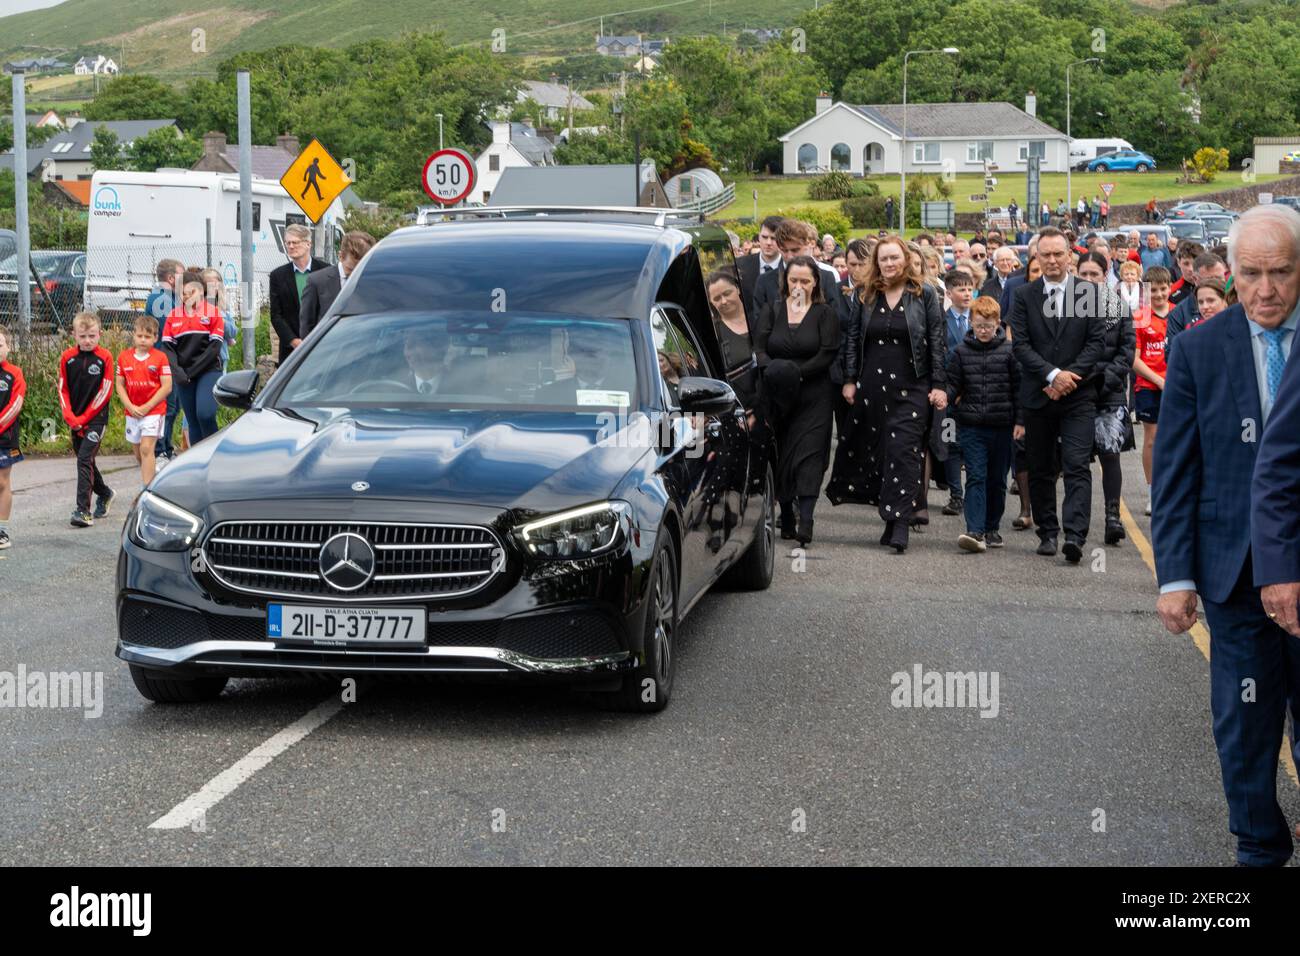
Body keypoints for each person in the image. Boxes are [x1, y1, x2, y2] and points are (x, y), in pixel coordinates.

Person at [1153, 203, 1300, 867]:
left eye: (1281, 273)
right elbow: (1177, 472)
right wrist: (1176, 578)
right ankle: (1259, 844)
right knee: (1244, 723)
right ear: (1227, 274)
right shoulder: (1197, 350)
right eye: (1251, 274)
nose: (1266, 290)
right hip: (1230, 573)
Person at [827, 235, 947, 553]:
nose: (889, 264)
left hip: (914, 385)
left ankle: (901, 522)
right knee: (881, 452)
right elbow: (853, 338)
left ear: (906, 259)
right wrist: (850, 379)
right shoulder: (865, 295)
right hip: (873, 385)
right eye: (884, 259)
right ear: (876, 263)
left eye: (895, 258)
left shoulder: (926, 294)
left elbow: (936, 340)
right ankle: (890, 518)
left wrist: (939, 384)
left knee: (905, 452)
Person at [1007, 228, 1106, 563]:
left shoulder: (1088, 293)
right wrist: (1051, 374)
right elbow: (1020, 345)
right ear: (1036, 258)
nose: (1051, 260)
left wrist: (1067, 378)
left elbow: (1096, 344)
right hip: (1038, 394)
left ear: (1069, 256)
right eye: (1044, 255)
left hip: (1079, 395)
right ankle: (1048, 532)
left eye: (1057, 254)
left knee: (1077, 464)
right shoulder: (1023, 295)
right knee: (1041, 467)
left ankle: (1075, 535)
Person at [753, 255, 839, 546]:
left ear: (815, 282)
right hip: (777, 393)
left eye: (805, 280)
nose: (799, 285)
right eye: (794, 280)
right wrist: (778, 371)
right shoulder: (772, 309)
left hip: (814, 393)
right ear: (785, 281)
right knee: (783, 452)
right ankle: (786, 512)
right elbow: (760, 349)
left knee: (810, 453)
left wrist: (795, 372)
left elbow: (827, 353)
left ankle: (807, 517)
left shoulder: (824, 313)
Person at [945, 294, 1021, 552]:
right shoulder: (961, 353)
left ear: (998, 322)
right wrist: (945, 396)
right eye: (978, 326)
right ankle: (974, 530)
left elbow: (1018, 388)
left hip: (1002, 425)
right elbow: (954, 383)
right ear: (971, 324)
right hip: (972, 425)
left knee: (997, 480)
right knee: (976, 476)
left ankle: (992, 528)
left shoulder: (1010, 352)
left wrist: (1020, 421)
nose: (984, 331)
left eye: (988, 326)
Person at [1077, 252, 1135, 546]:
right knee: (1075, 459)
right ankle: (1076, 520)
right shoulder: (1064, 308)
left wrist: (1104, 381)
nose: (1088, 280)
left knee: (1109, 452)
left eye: (1094, 274)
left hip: (1108, 392)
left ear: (1104, 275)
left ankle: (1113, 515)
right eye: (1083, 274)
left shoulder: (1119, 308)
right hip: (1075, 390)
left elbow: (1126, 352)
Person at [58, 313, 115, 528]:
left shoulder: (106, 357)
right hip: (75, 420)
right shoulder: (67, 358)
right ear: (74, 335)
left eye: (92, 335)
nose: (87, 340)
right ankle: (105, 492)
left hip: (96, 420)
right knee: (87, 461)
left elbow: (105, 391)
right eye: (83, 336)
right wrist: (71, 417)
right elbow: (62, 389)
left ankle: (83, 511)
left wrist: (84, 418)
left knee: (83, 459)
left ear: (100, 334)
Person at [163, 271, 225, 446]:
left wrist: (190, 372)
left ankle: (215, 450)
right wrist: (178, 373)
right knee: (193, 422)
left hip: (208, 371)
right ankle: (198, 462)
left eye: (192, 292)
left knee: (205, 414)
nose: (187, 297)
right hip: (184, 375)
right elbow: (168, 349)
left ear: (201, 291)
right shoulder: (173, 315)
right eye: (183, 293)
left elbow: (214, 349)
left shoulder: (213, 312)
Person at [114, 315, 172, 486]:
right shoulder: (124, 357)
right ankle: (154, 478)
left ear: (155, 338)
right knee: (140, 453)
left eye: (147, 337)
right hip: (132, 412)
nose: (143, 340)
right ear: (134, 336)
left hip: (153, 411)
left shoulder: (160, 357)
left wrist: (147, 406)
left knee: (147, 448)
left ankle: (148, 489)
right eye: (140, 336)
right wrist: (130, 406)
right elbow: (119, 385)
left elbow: (167, 386)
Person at [1133, 266, 1172, 515]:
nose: (1159, 294)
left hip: (1177, 386)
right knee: (1153, 439)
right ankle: (1152, 491)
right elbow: (1133, 359)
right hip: (1149, 386)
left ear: (1170, 287)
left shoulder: (1179, 315)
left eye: (1163, 289)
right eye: (1153, 290)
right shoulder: (1140, 317)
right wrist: (1158, 380)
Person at [940, 269, 975, 516]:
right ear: (949, 293)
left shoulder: (980, 318)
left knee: (973, 445)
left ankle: (974, 493)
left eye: (969, 288)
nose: (966, 293)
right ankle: (956, 495)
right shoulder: (941, 321)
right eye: (961, 289)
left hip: (975, 395)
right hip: (951, 395)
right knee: (951, 443)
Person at [268, 223, 328, 364]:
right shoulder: (278, 275)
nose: (291, 246)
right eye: (288, 243)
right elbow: (276, 315)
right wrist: (294, 341)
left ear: (308, 244)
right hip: (291, 351)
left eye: (295, 242)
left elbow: (330, 308)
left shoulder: (326, 271)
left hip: (321, 347)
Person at [299, 230, 376, 339]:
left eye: (361, 269)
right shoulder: (317, 281)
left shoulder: (372, 282)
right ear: (340, 256)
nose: (356, 274)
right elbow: (306, 327)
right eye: (351, 269)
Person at [146, 258, 183, 463]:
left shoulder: (168, 297)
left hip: (171, 360)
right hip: (165, 361)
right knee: (167, 407)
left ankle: (167, 447)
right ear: (170, 278)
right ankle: (160, 449)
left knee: (174, 406)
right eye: (180, 275)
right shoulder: (163, 299)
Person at [1165, 252, 1229, 344]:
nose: (1216, 284)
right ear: (1195, 279)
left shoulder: (1238, 304)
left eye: (1219, 278)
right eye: (1210, 280)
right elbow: (1172, 352)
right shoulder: (1179, 314)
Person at [0, 325, 25, 550]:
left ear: (8, 347)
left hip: (5, 438)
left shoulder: (14, 373)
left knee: (2, 481)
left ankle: (2, 530)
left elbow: (15, 405)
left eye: (0, 345)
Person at [201, 268, 237, 371]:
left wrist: (221, 320)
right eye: (211, 284)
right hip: (203, 358)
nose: (215, 287)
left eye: (217, 284)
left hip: (221, 357)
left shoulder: (223, 306)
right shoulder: (198, 305)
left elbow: (232, 332)